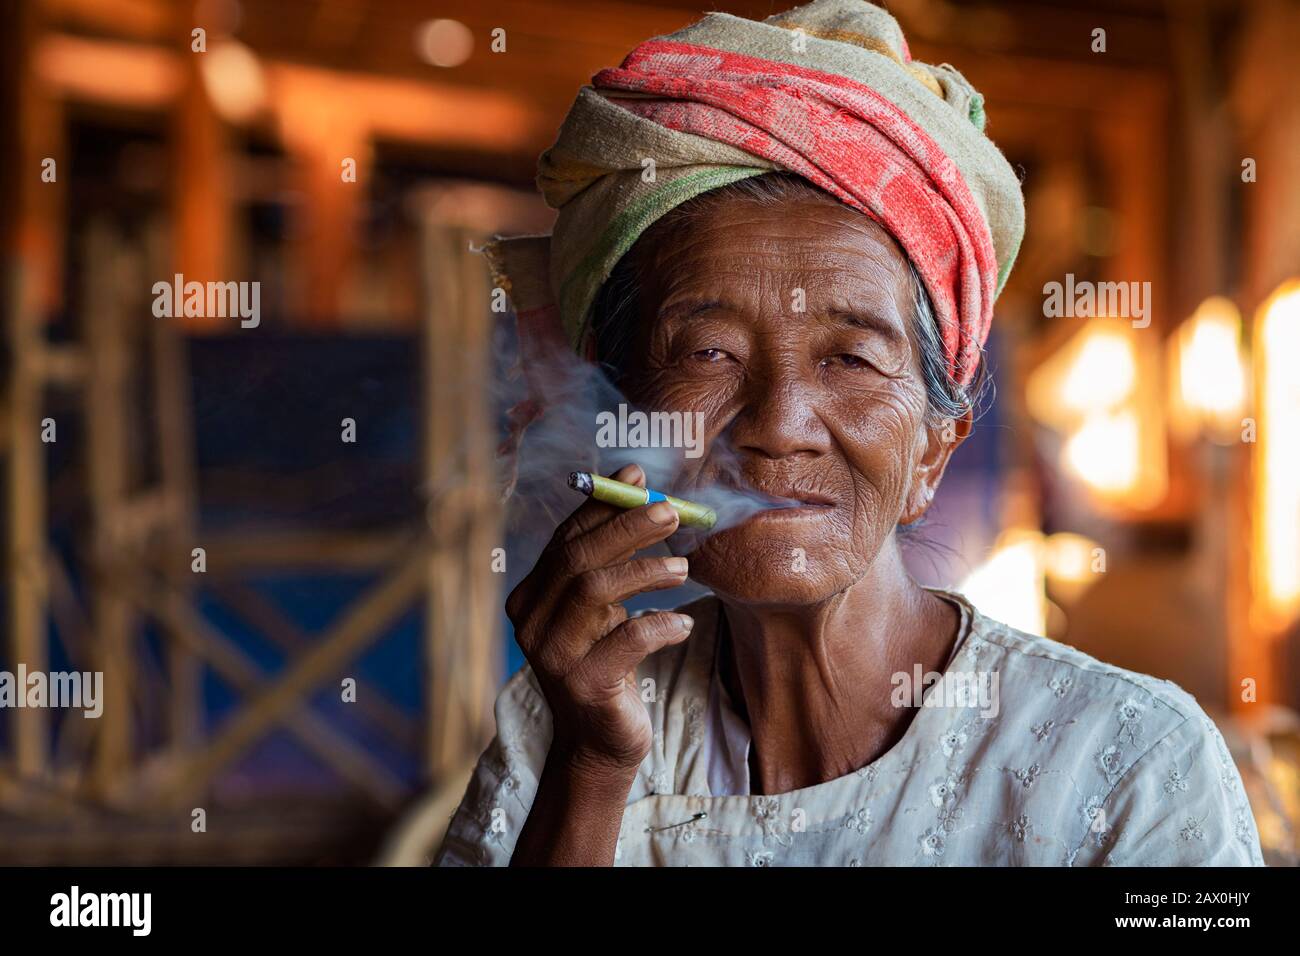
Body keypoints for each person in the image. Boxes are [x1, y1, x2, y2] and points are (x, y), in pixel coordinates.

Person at [433, 0, 1265, 867]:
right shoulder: (566, 719)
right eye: (710, 352)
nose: (780, 427)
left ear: (933, 450)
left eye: (851, 359)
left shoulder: (1130, 766)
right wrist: (594, 769)